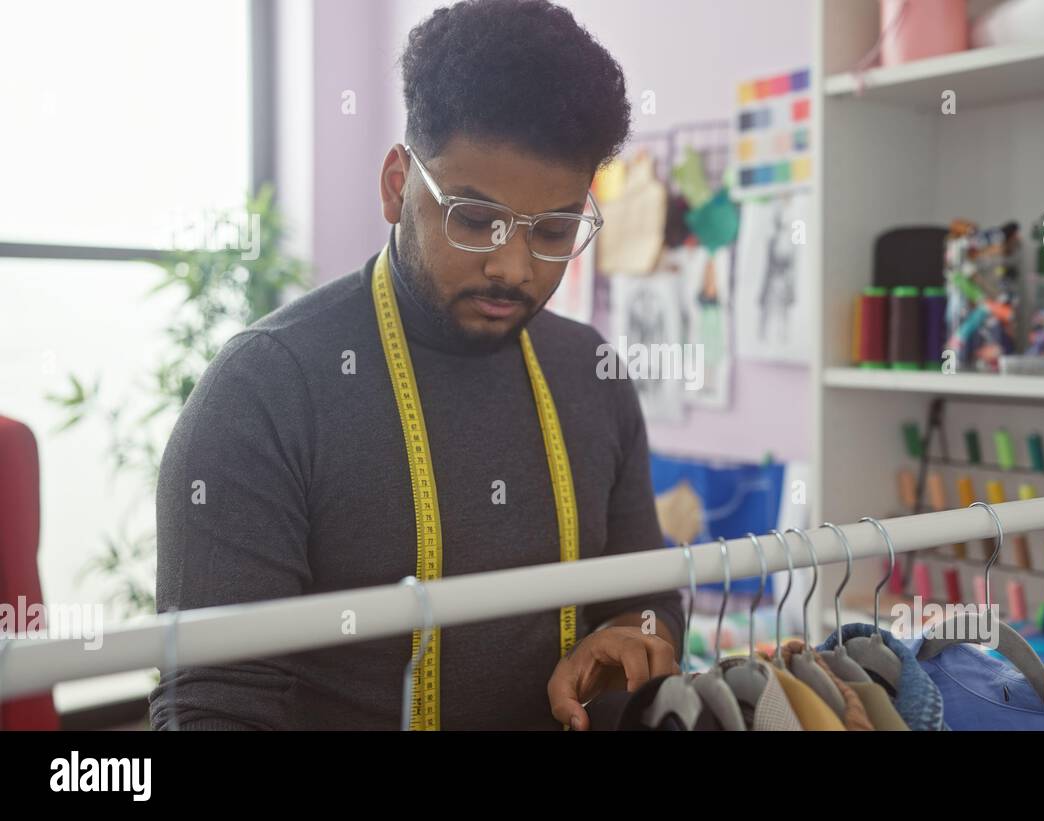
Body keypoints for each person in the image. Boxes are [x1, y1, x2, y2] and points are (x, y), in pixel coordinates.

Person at [148, 0, 683, 731]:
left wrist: (635, 635)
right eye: (473, 218)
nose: (512, 265)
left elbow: (650, 596)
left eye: (555, 230)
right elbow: (213, 706)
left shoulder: (590, 371)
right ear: (398, 185)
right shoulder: (263, 393)